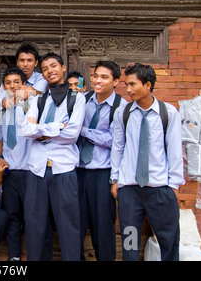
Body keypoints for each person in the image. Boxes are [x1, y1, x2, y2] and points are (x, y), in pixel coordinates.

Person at [110, 63, 185, 261]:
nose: (128, 89)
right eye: (127, 84)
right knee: (130, 243)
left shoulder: (167, 112)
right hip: (130, 192)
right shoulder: (123, 113)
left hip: (160, 189)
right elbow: (117, 147)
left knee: (168, 241)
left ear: (148, 85)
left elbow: (175, 149)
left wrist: (173, 185)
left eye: (133, 84)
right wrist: (115, 179)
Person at [19, 52, 85, 261]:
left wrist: (40, 129)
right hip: (37, 170)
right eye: (45, 69)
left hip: (63, 170)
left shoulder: (77, 98)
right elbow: (26, 131)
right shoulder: (38, 100)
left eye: (54, 66)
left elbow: (72, 134)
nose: (50, 71)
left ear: (63, 68)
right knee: (35, 226)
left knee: (68, 226)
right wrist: (57, 126)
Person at [76, 60, 127, 261]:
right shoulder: (83, 100)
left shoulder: (122, 107)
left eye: (104, 77)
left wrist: (84, 131)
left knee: (103, 227)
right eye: (95, 76)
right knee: (76, 225)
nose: (98, 80)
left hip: (103, 174)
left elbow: (115, 141)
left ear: (115, 81)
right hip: (78, 171)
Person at [0, 66, 35, 261]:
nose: (13, 86)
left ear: (23, 84)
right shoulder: (1, 110)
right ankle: (14, 256)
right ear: (3, 86)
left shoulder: (33, 105)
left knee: (32, 216)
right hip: (10, 172)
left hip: (30, 170)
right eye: (8, 83)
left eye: (17, 82)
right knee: (12, 215)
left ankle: (34, 255)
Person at [0, 43, 48, 111]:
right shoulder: (9, 80)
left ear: (36, 63)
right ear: (17, 62)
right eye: (22, 60)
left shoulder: (42, 78)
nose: (25, 64)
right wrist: (3, 102)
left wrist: (31, 90)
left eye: (29, 60)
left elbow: (37, 100)